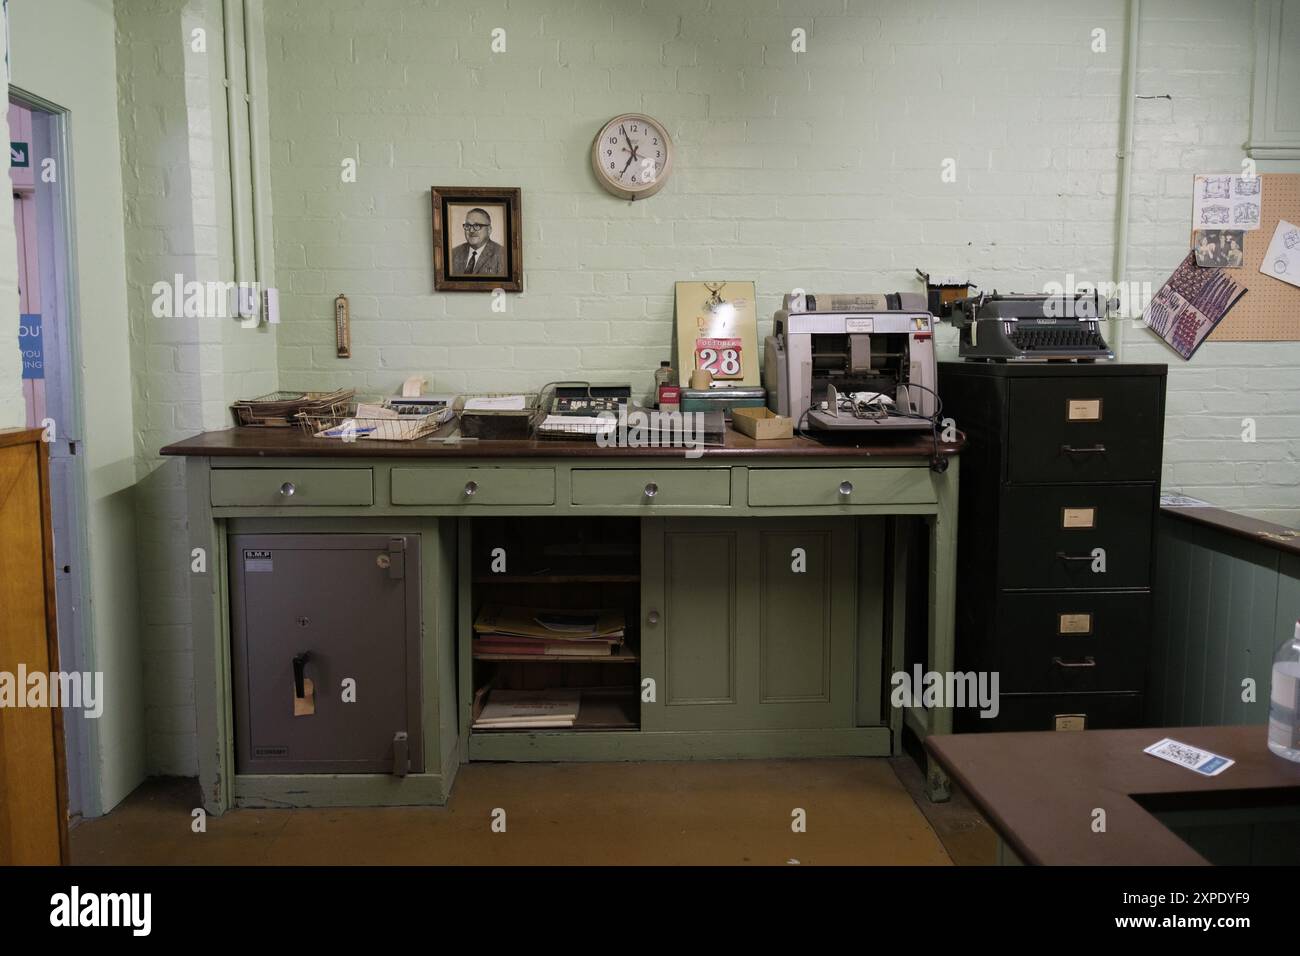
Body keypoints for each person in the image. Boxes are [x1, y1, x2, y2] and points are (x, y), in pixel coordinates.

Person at [450, 207, 505, 276]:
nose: (471, 230)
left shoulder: (502, 255)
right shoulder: (453, 253)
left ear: (489, 230)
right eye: (468, 226)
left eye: (477, 225)